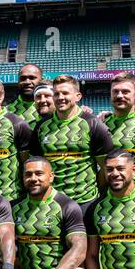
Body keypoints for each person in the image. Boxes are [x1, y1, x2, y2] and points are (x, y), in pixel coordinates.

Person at [29, 75, 114, 207]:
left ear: (78, 96)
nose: (60, 97)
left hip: (85, 201)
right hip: (51, 202)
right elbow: (37, 166)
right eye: (56, 94)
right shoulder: (42, 127)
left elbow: (106, 167)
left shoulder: (93, 124)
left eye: (65, 93)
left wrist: (91, 189)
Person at [102, 73, 135, 188]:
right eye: (115, 91)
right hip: (109, 195)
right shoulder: (101, 124)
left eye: (125, 91)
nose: (119, 95)